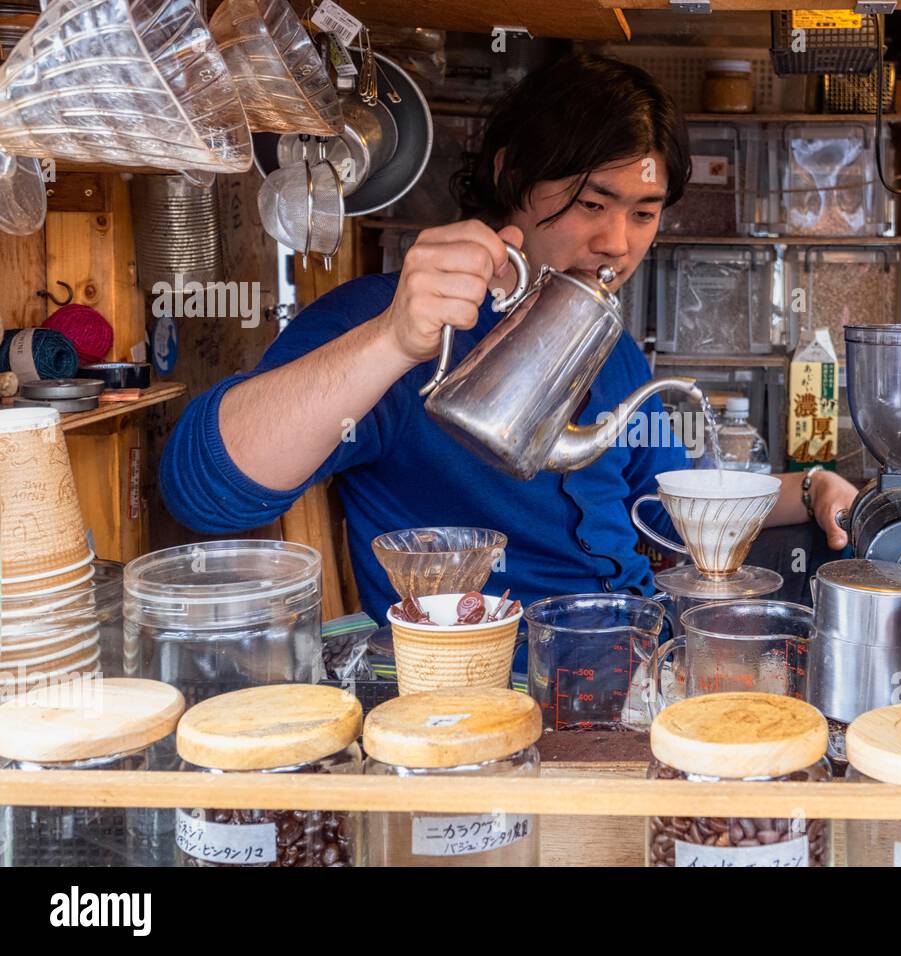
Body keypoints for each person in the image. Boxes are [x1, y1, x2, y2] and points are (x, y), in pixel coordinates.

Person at [161, 53, 858, 626]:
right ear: (509, 174)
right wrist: (393, 342)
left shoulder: (609, 351)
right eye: (592, 205)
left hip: (632, 664)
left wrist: (815, 487)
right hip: (498, 684)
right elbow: (203, 491)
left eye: (643, 213)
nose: (616, 244)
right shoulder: (390, 322)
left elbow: (675, 503)